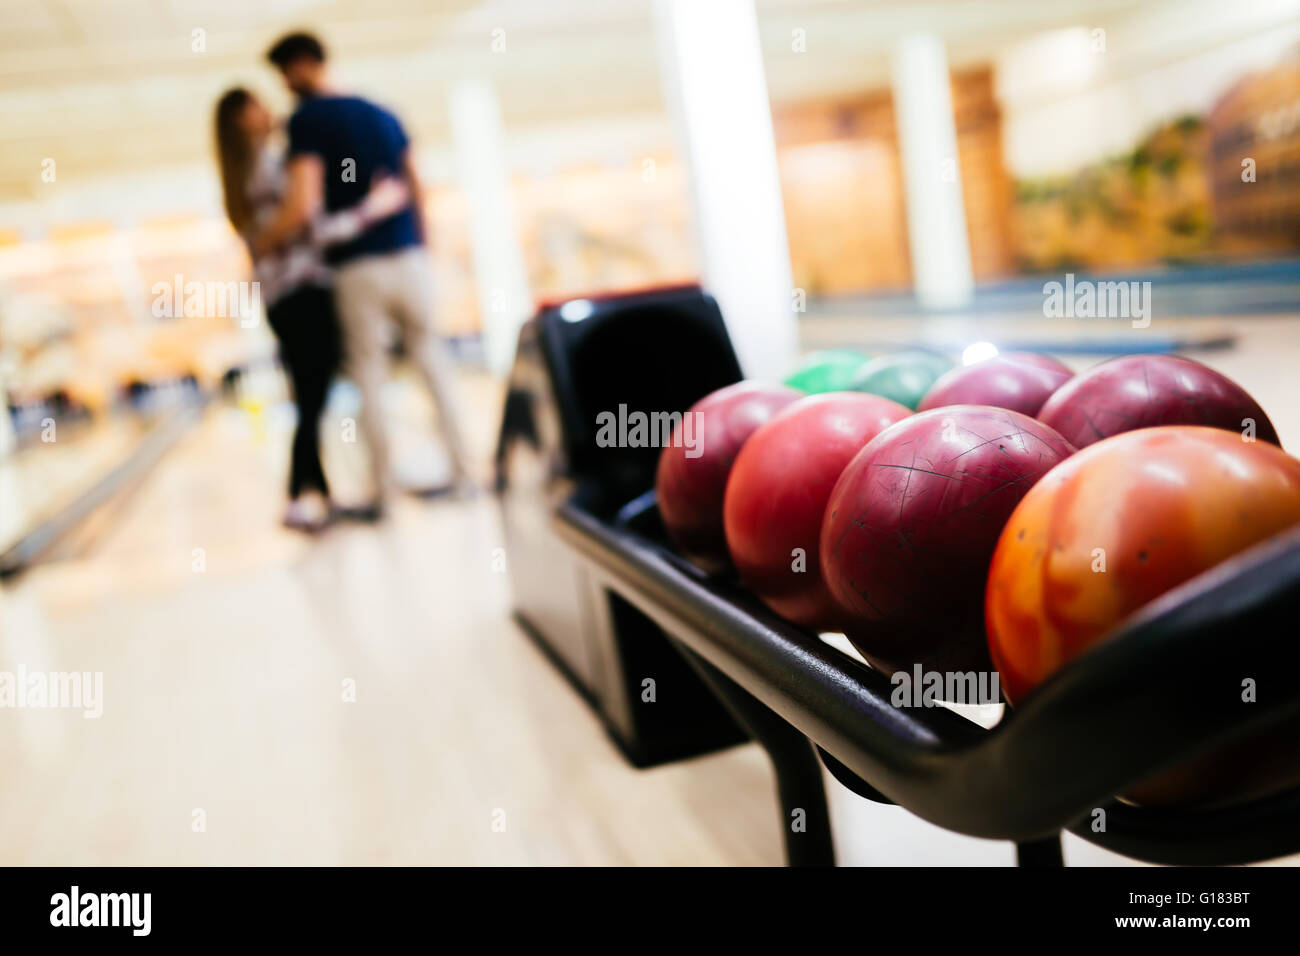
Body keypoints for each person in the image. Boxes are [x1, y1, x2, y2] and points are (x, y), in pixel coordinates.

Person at [255, 31, 471, 520]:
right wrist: (421, 246)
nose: (286, 83)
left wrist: (266, 240)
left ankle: (387, 493)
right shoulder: (384, 113)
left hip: (356, 266)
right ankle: (465, 476)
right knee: (433, 364)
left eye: (286, 72)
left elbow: (304, 200)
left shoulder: (308, 120)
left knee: (369, 374)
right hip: (409, 257)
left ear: (303, 65)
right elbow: (418, 185)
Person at [214, 87, 408, 532]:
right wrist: (371, 209)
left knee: (309, 397)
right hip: (304, 294)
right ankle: (299, 496)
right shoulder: (269, 166)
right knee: (312, 399)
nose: (268, 110)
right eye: (256, 106)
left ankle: (316, 494)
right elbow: (311, 225)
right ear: (242, 119)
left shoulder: (240, 176)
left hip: (280, 299)